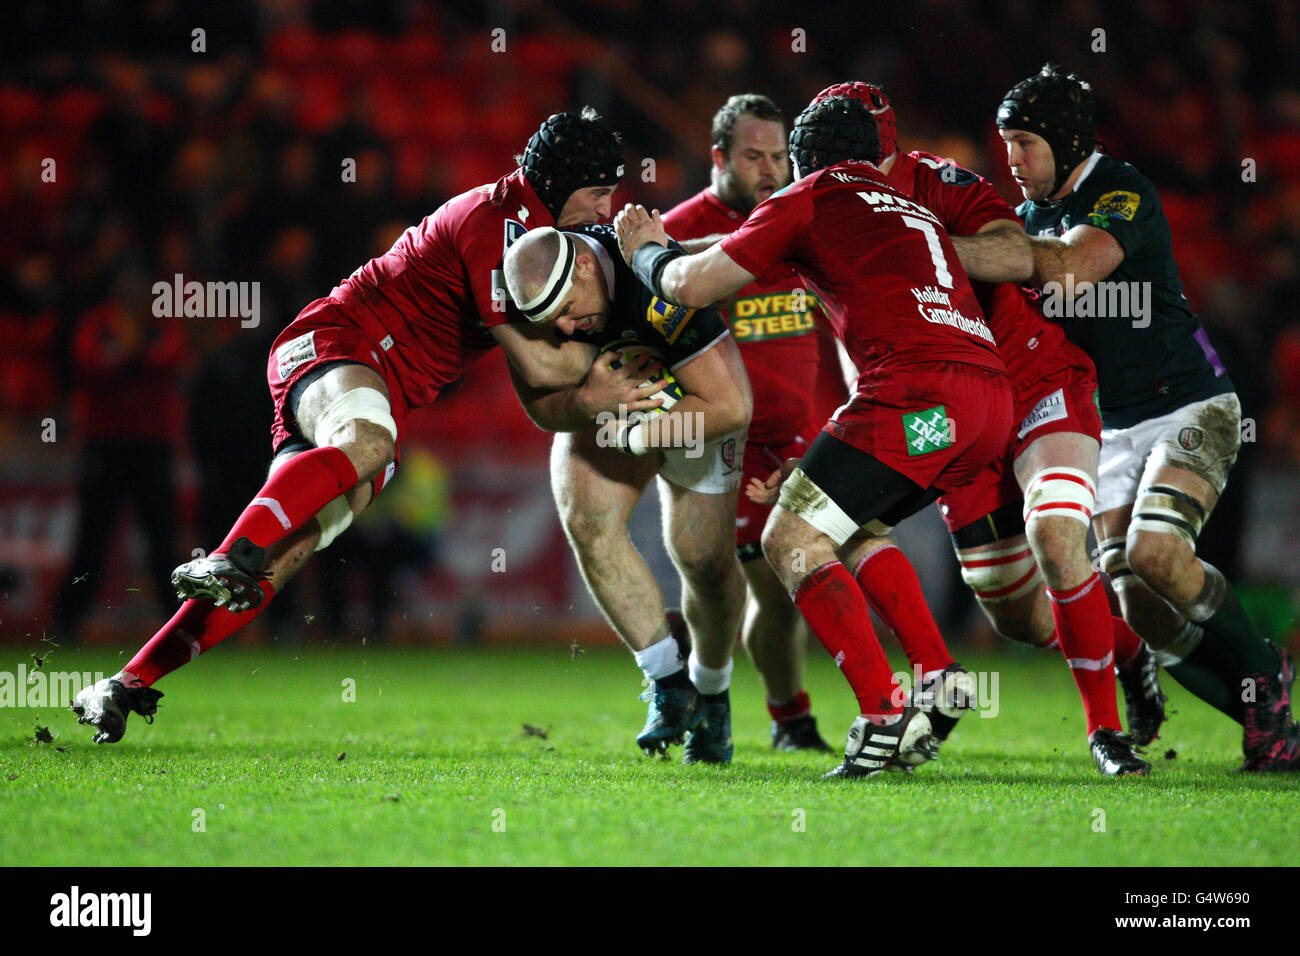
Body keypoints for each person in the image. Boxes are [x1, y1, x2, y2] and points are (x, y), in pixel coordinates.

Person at [71, 109, 647, 743]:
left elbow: (546, 377)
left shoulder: (545, 247)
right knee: (367, 446)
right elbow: (539, 363)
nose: (604, 209)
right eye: (598, 192)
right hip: (339, 341)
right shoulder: (495, 223)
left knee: (280, 561)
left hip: (384, 390)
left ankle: (125, 685)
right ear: (563, 182)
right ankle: (226, 554)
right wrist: (599, 364)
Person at [616, 95, 1014, 778]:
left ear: (804, 158)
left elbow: (690, 284)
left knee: (787, 538)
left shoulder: (810, 196)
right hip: (986, 402)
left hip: (914, 392)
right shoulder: (903, 205)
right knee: (848, 526)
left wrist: (646, 252)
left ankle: (882, 712)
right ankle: (939, 674)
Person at [792, 81, 1156, 775]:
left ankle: (1104, 734)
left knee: (1056, 534)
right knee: (1019, 618)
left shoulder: (940, 181)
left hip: (1034, 380)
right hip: (950, 415)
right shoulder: (825, 209)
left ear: (888, 145)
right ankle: (1130, 652)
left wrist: (916, 240)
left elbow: (1013, 247)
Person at [997, 64, 1298, 771]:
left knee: (1156, 553)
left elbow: (1072, 271)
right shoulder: (1028, 221)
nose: (1011, 158)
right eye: (1005, 142)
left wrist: (988, 252)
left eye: (1023, 143)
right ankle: (1262, 716)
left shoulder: (1121, 190)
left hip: (1186, 402)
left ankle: (1265, 670)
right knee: (1134, 602)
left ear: (1066, 141)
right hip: (1107, 424)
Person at [502, 223, 752, 763]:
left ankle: (713, 690)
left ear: (589, 267)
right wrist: (590, 401)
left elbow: (731, 407)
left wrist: (641, 432)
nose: (566, 326)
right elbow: (544, 409)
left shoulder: (654, 280)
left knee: (703, 560)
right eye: (553, 322)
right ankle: (667, 681)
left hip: (695, 410)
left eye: (569, 309)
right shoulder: (536, 301)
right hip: (612, 408)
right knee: (588, 522)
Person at [660, 93, 832, 752]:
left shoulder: (801, 222)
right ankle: (726, 699)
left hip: (795, 439)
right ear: (718, 157)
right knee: (733, 579)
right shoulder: (676, 236)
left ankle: (778, 714)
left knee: (784, 584)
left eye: (781, 157)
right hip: (717, 444)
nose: (771, 169)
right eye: (754, 156)